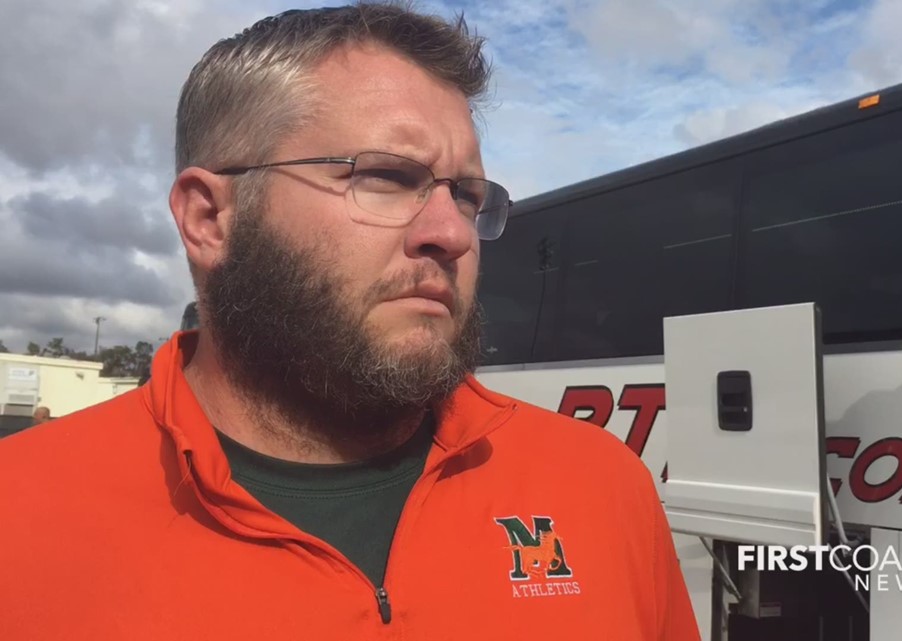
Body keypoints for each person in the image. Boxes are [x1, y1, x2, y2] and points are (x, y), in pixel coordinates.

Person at [0, 3, 701, 640]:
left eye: (467, 195)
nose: (451, 233)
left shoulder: (602, 487)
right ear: (210, 217)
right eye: (386, 176)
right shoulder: (22, 516)